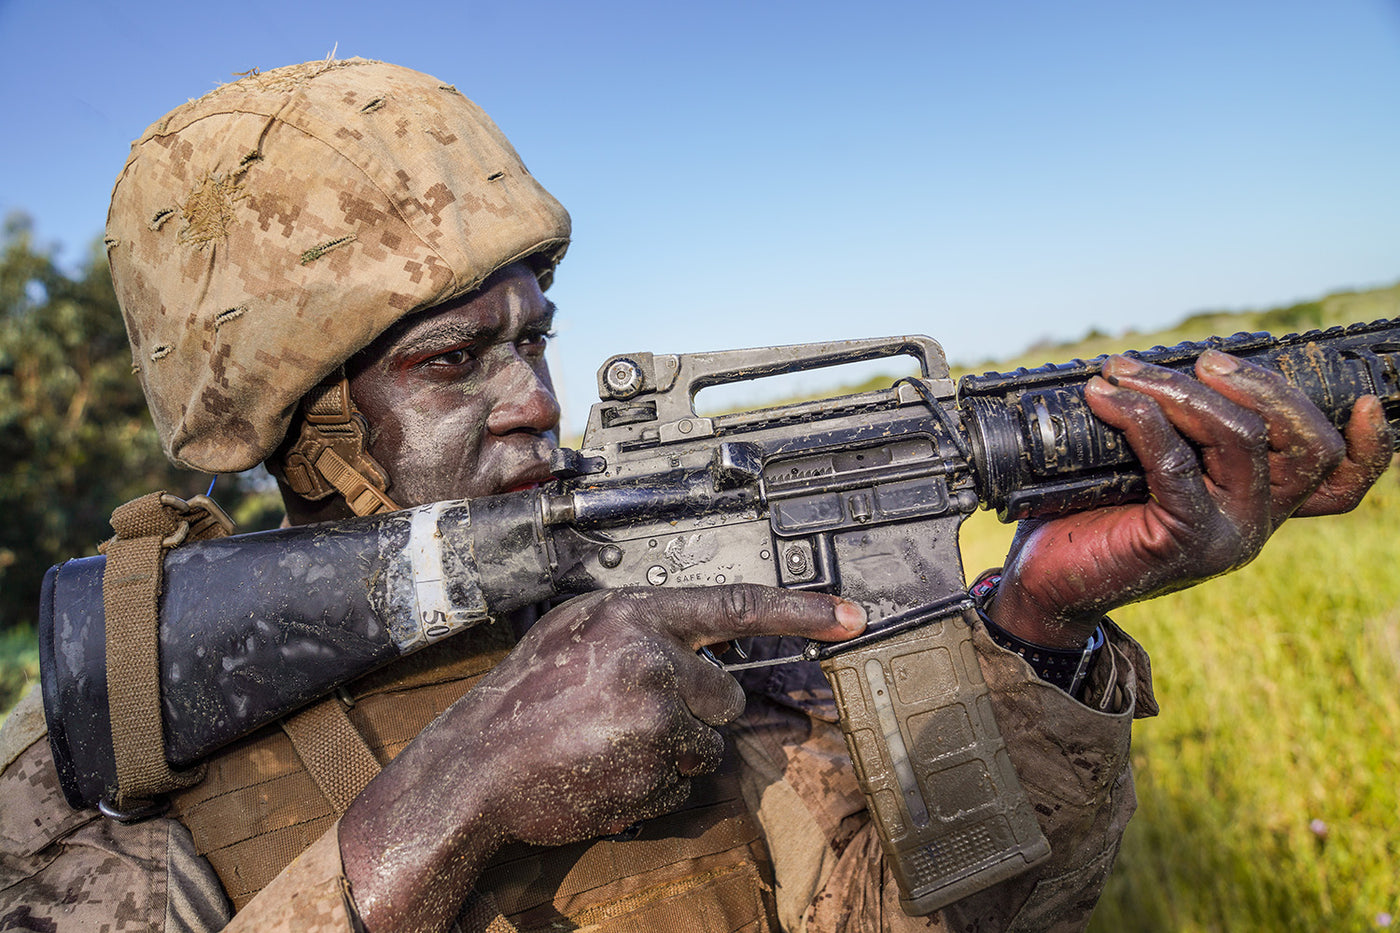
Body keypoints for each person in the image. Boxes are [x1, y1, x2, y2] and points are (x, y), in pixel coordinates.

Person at [0, 58, 1390, 933]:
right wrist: (444, 809)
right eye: (453, 360)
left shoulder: (659, 613)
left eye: (534, 335)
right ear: (298, 426)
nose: (535, 394)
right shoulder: (102, 770)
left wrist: (1034, 628)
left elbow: (945, 912)